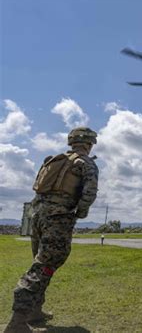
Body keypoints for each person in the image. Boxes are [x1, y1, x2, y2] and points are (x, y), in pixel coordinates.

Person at [5, 127, 99, 332]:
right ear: (90, 143)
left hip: (38, 216)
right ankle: (18, 321)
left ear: (71, 142)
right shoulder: (85, 163)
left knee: (42, 262)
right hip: (58, 219)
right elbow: (89, 194)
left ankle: (35, 311)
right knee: (45, 265)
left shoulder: (54, 161)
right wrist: (78, 214)